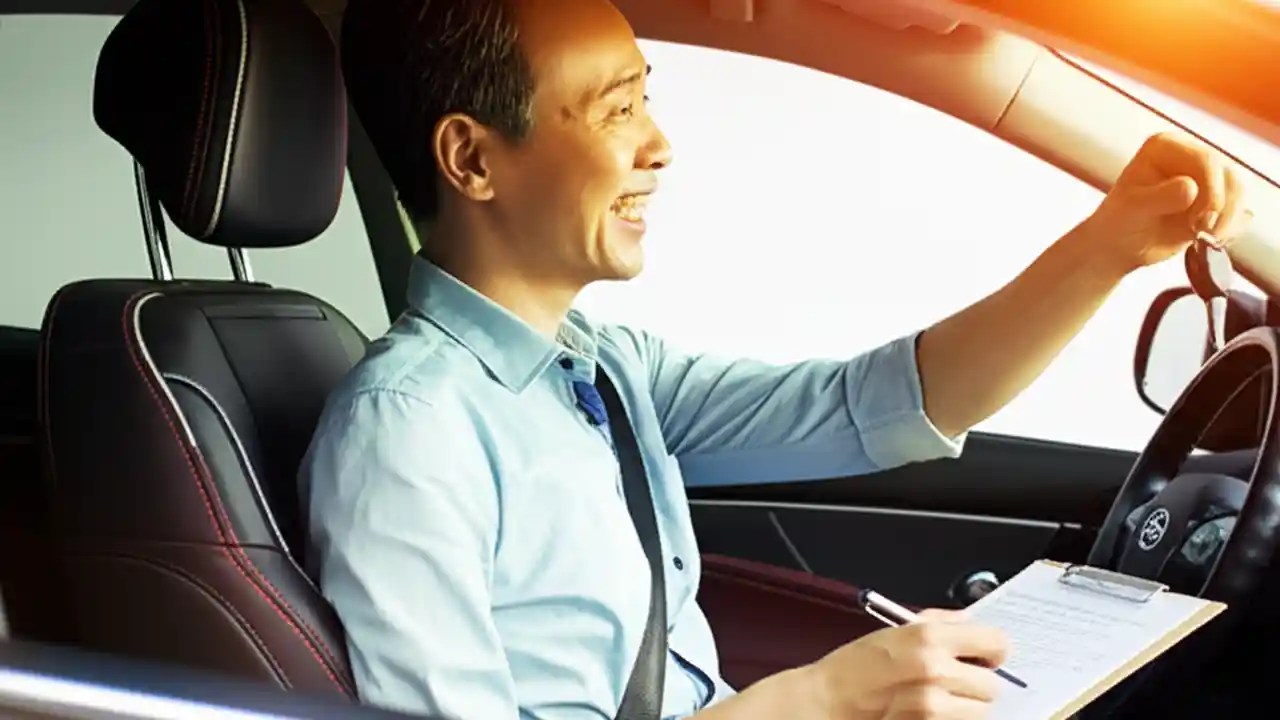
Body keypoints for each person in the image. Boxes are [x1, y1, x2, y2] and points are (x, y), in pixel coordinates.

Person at [298, 0, 1250, 717]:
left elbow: (873, 405)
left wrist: (1110, 246)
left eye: (648, 101)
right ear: (471, 159)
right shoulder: (407, 434)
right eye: (616, 109)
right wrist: (828, 697)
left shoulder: (600, 370)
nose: (660, 146)